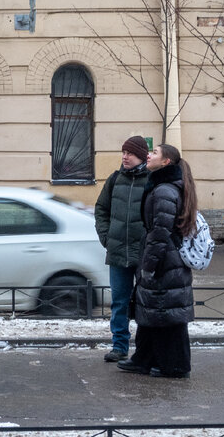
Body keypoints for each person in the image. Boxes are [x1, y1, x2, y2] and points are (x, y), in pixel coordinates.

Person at [118, 143, 196, 379]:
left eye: (155, 153)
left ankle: (174, 366)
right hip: (166, 259)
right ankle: (144, 359)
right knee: (153, 311)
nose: (149, 155)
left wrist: (149, 266)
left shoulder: (164, 191)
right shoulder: (164, 186)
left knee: (166, 313)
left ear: (166, 162)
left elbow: (159, 232)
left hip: (164, 261)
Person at [93, 136, 150, 363]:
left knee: (147, 303)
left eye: (130, 153)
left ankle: (145, 348)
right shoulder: (115, 179)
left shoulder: (152, 180)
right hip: (117, 250)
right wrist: (106, 237)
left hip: (144, 253)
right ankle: (119, 345)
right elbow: (101, 209)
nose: (125, 157)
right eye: (124, 152)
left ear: (142, 156)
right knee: (119, 301)